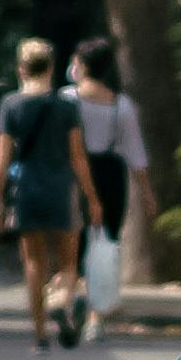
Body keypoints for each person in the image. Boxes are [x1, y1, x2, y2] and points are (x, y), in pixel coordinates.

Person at [0, 38, 87, 346]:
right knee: (68, 261)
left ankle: (39, 333)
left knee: (33, 262)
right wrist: (92, 195)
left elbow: (0, 161)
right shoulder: (66, 107)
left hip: (27, 189)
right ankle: (62, 300)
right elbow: (77, 156)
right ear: (52, 67)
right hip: (61, 189)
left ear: (20, 68)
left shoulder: (10, 105)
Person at [69, 35, 148, 277]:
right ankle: (95, 307)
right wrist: (147, 191)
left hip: (74, 173)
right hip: (111, 174)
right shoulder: (122, 106)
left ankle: (71, 291)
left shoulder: (66, 100)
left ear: (81, 65)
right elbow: (135, 152)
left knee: (74, 237)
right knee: (107, 237)